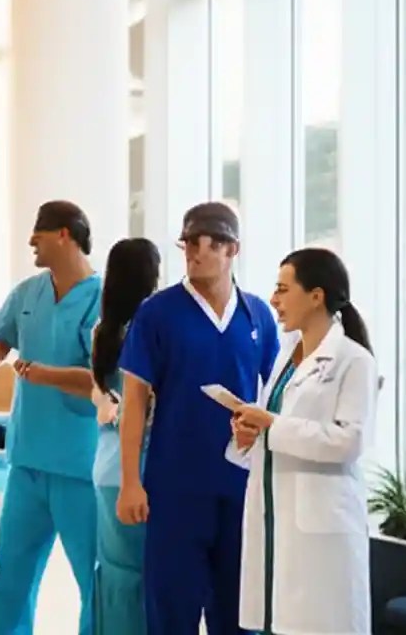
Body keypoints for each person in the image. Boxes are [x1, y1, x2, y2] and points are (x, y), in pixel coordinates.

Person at [116, 202, 280, 635]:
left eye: (211, 243)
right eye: (190, 242)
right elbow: (133, 402)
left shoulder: (258, 316)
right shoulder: (157, 313)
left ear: (233, 250)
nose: (197, 251)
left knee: (240, 612)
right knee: (172, 608)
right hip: (175, 486)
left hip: (241, 487)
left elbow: (275, 398)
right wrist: (130, 481)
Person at [229, 248, 377, 635]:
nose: (274, 300)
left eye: (282, 289)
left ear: (317, 296)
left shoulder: (352, 360)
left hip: (321, 530)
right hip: (278, 519)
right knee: (277, 622)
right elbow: (276, 432)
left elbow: (349, 441)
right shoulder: (286, 360)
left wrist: (273, 426)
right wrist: (250, 434)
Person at [0, 200, 102, 635]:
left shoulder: (103, 299)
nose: (32, 240)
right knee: (11, 570)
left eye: (39, 232)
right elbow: (0, 338)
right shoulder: (28, 292)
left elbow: (108, 382)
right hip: (27, 460)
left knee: (94, 577)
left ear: (65, 234)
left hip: (78, 464)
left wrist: (48, 375)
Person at [90, 238, 160, 635]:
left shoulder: (105, 330)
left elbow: (101, 394)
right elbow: (149, 404)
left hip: (106, 465)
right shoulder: (150, 330)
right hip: (140, 465)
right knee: (143, 573)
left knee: (114, 570)